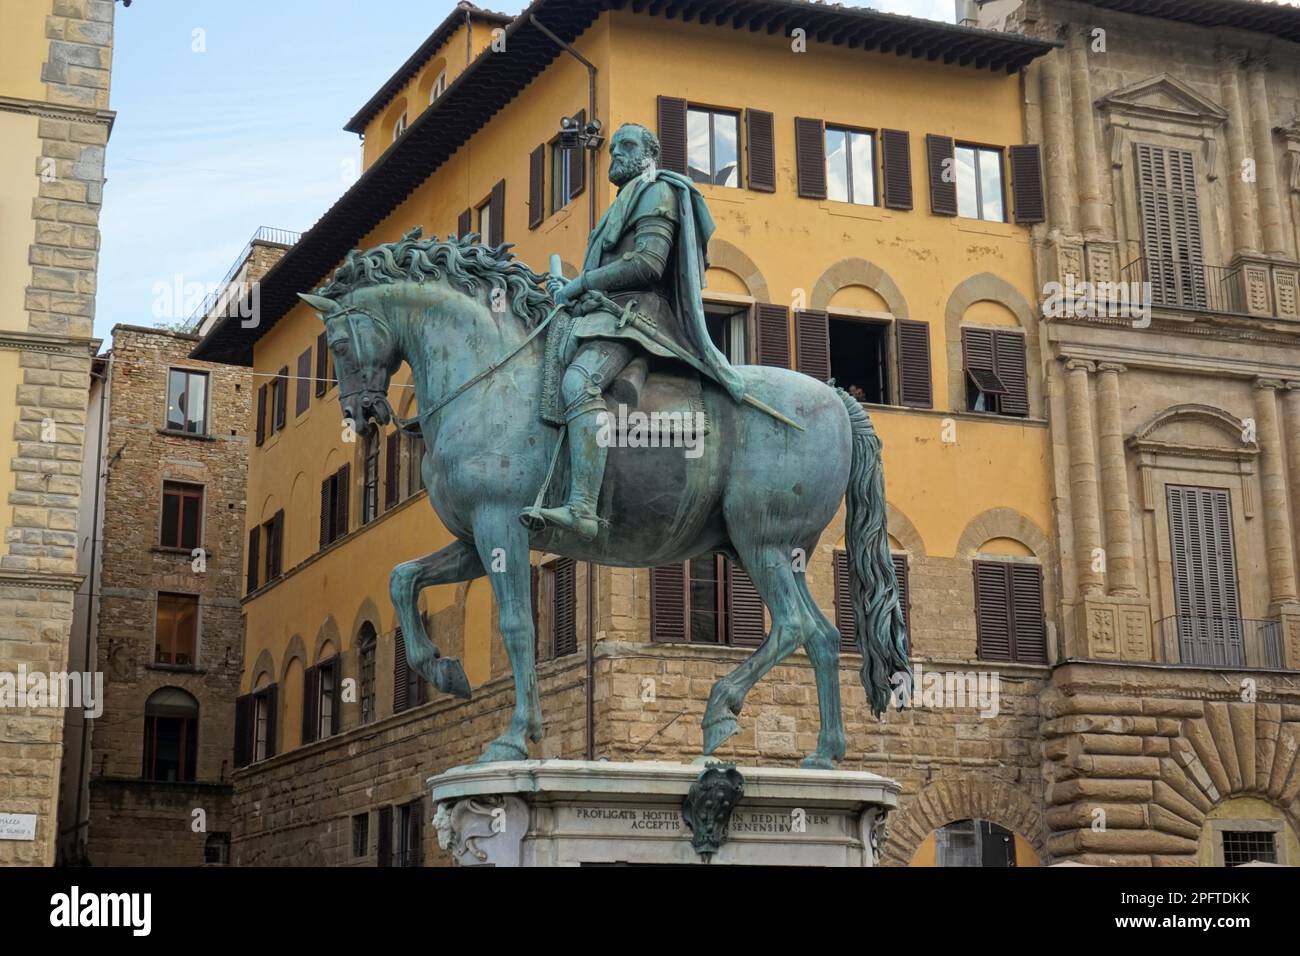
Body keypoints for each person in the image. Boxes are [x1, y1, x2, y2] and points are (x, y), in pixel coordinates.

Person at [527, 122, 746, 540]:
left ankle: (582, 508)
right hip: (604, 313)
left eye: (626, 146)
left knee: (579, 383)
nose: (616, 155)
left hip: (636, 318)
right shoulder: (622, 202)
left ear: (650, 154)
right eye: (613, 149)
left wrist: (582, 284)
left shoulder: (655, 191)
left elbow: (648, 263)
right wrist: (568, 291)